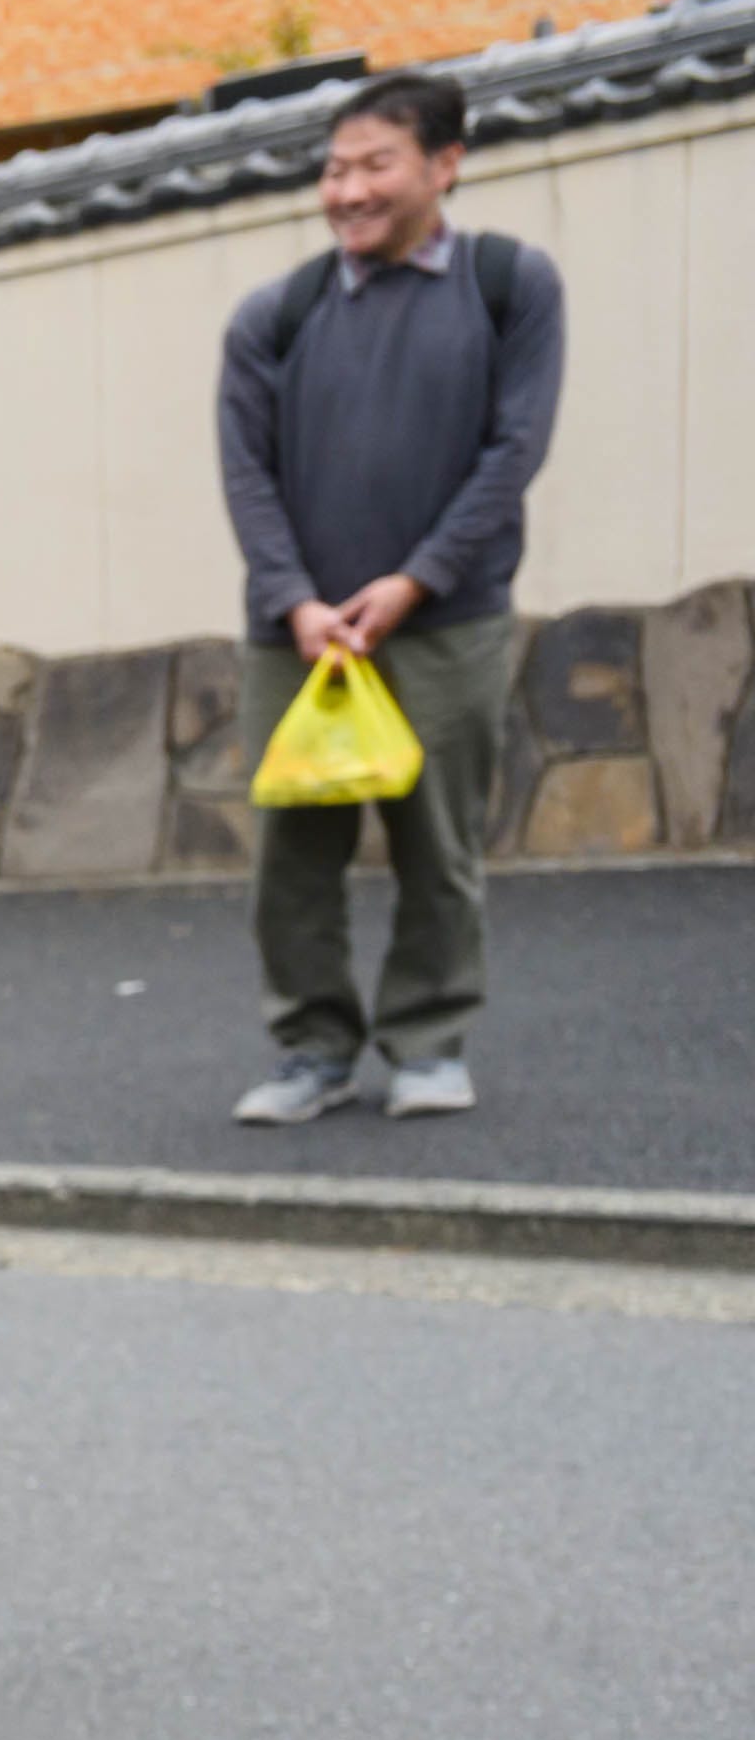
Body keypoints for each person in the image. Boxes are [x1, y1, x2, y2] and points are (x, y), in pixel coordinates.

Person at [218, 67, 557, 1132]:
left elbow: (515, 451)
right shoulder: (276, 315)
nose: (349, 190)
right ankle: (312, 1049)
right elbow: (246, 474)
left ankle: (428, 1042)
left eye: (376, 165)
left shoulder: (508, 285)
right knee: (292, 861)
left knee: (438, 848)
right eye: (334, 169)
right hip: (297, 637)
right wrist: (295, 600)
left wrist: (417, 579)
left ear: (445, 164)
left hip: (447, 622)